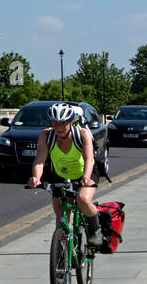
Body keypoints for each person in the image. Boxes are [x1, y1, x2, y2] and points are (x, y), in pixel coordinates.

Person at [25, 102, 101, 249]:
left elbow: (89, 159)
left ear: (71, 122)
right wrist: (36, 178)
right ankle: (63, 250)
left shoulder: (82, 134)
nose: (59, 127)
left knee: (83, 200)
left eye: (63, 123)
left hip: (85, 172)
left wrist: (86, 177)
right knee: (61, 213)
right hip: (60, 175)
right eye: (55, 123)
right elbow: (40, 160)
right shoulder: (46, 135)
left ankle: (94, 230)